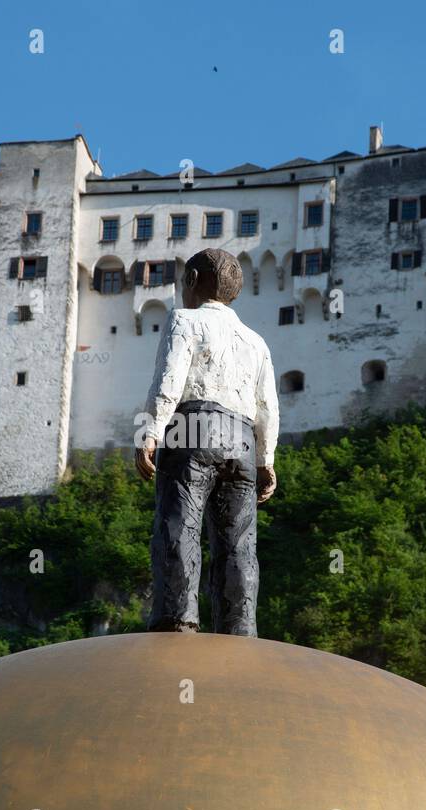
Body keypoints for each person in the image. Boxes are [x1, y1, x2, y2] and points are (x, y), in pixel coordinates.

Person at [135, 248, 278, 636]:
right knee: (239, 544)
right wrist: (266, 461)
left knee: (179, 524)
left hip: (192, 426)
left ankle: (177, 619)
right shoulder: (256, 342)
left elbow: (168, 381)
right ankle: (240, 630)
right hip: (243, 440)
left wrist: (149, 432)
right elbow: (267, 407)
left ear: (193, 282)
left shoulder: (184, 320)